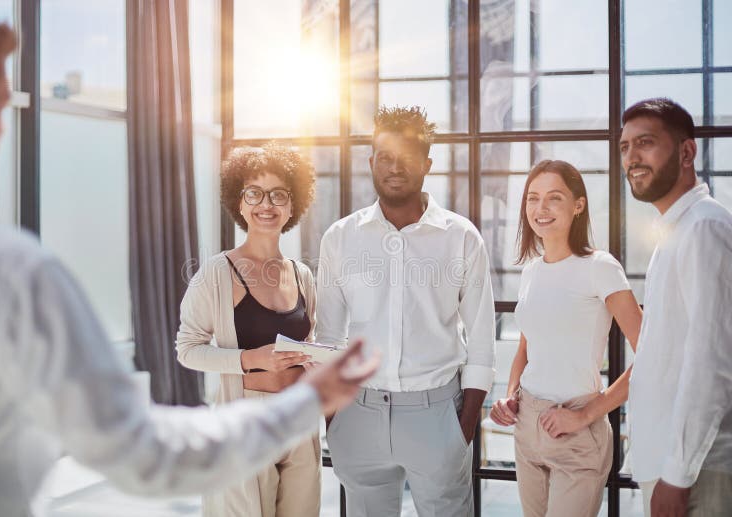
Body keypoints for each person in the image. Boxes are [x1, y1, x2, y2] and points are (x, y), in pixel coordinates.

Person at [0, 5, 379, 517]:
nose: (2, 132)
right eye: (0, 112)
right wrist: (304, 398)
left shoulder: (301, 274)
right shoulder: (7, 273)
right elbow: (141, 450)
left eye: (278, 196)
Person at [316, 105, 496, 517]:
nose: (395, 168)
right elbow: (327, 337)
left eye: (408, 158)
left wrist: (463, 428)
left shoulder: (461, 238)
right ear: (371, 162)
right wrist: (335, 421)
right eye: (385, 157)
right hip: (357, 414)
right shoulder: (340, 238)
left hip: (437, 414)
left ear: (427, 164)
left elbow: (482, 340)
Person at [488, 160, 643, 517]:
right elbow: (526, 350)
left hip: (576, 428)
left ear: (578, 205)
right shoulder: (531, 271)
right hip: (528, 426)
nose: (540, 209)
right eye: (532, 198)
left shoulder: (600, 267)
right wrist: (510, 396)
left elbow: (650, 354)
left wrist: (587, 414)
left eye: (553, 198)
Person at [176, 144, 322, 517]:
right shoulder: (216, 272)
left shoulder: (302, 275)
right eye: (254, 193)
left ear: (292, 206)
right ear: (239, 203)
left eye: (278, 194)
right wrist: (251, 359)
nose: (266, 204)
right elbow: (188, 349)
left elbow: (308, 344)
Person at [621, 98, 732, 517]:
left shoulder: (704, 227)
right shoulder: (675, 231)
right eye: (625, 147)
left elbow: (711, 362)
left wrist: (678, 475)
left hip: (697, 472)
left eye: (645, 143)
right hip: (673, 465)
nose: (632, 157)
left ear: (687, 152)